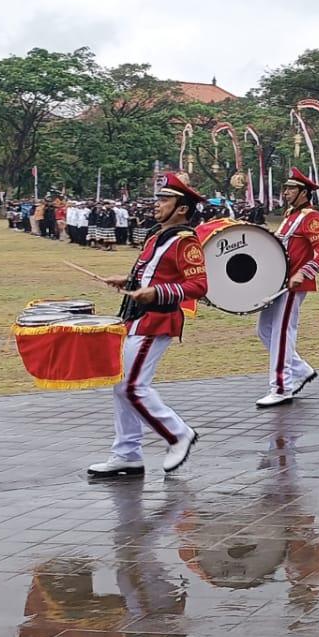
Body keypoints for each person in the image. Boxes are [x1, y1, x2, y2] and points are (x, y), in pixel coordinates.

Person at [88, 173, 207, 478]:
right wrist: (127, 281)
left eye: (165, 199)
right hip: (136, 316)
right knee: (121, 386)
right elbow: (150, 275)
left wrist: (157, 292)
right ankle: (126, 454)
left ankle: (178, 433)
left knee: (132, 387)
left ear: (182, 208)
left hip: (158, 319)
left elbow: (198, 286)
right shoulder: (156, 235)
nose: (157, 204)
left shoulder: (186, 241)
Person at [254, 169, 319, 408]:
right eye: (286, 188)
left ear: (303, 192)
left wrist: (302, 273)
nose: (286, 192)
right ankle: (301, 370)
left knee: (281, 334)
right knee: (265, 330)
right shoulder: (290, 215)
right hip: (278, 283)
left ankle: (280, 387)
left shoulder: (312, 217)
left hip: (293, 285)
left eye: (291, 188)